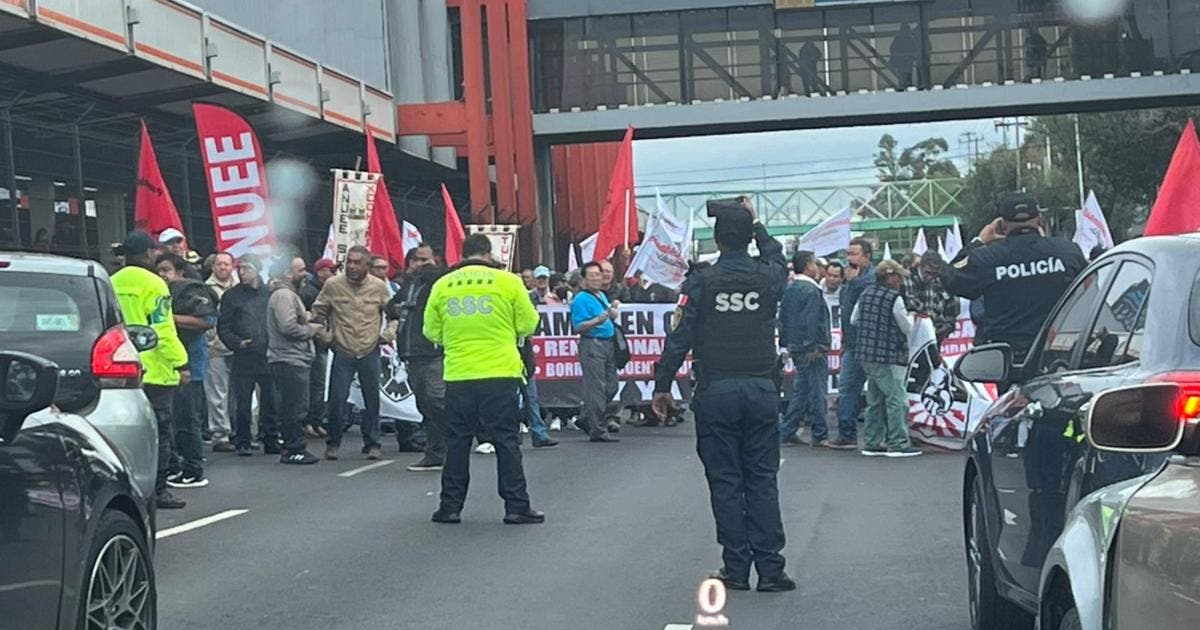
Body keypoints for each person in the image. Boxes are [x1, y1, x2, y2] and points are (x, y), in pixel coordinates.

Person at [650, 202, 795, 593]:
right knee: (762, 479)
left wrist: (662, 385)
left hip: (716, 392)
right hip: (762, 389)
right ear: (750, 237)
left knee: (726, 481)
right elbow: (779, 259)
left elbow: (678, 337)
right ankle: (770, 569)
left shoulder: (701, 281)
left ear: (716, 239)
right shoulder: (768, 278)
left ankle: (735, 567)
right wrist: (758, 222)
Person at [423, 234, 543, 525]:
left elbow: (430, 331)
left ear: (463, 255)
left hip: (459, 374)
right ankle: (516, 506)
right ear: (488, 254)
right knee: (506, 441)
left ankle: (450, 507)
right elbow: (530, 323)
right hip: (500, 373)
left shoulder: (443, 285)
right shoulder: (508, 282)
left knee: (457, 442)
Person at [941, 192, 1088, 364]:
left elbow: (950, 277)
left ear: (1002, 224)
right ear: (1039, 219)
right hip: (1059, 354)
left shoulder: (988, 258)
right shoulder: (1067, 251)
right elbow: (1089, 289)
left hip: (1008, 362)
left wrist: (979, 241)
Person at [110, 231, 190, 509]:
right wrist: (181, 362)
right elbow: (163, 330)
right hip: (155, 371)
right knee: (159, 432)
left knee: (123, 433)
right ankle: (158, 489)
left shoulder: (110, 282)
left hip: (119, 368)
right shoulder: (155, 284)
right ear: (148, 254)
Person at [312, 245, 394, 461]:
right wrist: (325, 335)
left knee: (372, 399)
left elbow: (394, 313)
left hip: (369, 349)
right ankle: (333, 442)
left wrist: (388, 334)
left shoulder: (378, 287)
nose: (352, 266)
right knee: (337, 398)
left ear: (367, 265)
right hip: (343, 349)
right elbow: (318, 311)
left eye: (358, 262)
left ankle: (373, 442)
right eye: (349, 261)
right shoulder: (333, 285)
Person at [156, 253, 217, 489]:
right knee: (174, 419)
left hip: (190, 366)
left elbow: (206, 321)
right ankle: (177, 465)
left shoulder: (189, 291)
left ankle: (193, 469)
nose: (162, 275)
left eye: (166, 270)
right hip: (168, 367)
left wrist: (169, 319)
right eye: (159, 270)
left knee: (187, 419)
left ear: (179, 272)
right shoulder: (160, 293)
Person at [389, 243, 450, 470]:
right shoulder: (408, 285)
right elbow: (391, 306)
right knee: (424, 404)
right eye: (416, 260)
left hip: (434, 353)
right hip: (411, 353)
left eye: (425, 260)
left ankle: (450, 447)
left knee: (438, 400)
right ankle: (434, 454)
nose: (420, 265)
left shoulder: (440, 283)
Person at [851, 260, 921, 458]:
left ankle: (872, 442)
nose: (900, 280)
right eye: (898, 276)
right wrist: (912, 317)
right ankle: (898, 443)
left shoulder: (865, 294)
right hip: (887, 355)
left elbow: (853, 319)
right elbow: (906, 327)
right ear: (889, 277)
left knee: (875, 399)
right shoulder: (894, 298)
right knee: (897, 399)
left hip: (866, 354)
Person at [217, 254, 279, 457]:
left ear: (257, 270)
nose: (242, 272)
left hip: (267, 353)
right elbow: (223, 326)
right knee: (242, 400)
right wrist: (237, 343)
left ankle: (270, 437)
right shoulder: (231, 296)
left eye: (246, 268)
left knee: (270, 400)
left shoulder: (268, 293)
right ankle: (243, 439)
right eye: (240, 268)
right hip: (244, 354)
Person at [266, 257, 324, 465]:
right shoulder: (283, 295)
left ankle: (293, 446)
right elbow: (287, 327)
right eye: (300, 270)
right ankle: (294, 448)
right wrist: (311, 329)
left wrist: (306, 317)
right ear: (287, 274)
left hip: (293, 358)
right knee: (294, 407)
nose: (305, 274)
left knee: (295, 405)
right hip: (289, 358)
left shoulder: (288, 295)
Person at [778, 250, 832, 447]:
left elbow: (783, 318)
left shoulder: (791, 289)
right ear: (809, 266)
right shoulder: (811, 290)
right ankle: (820, 433)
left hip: (796, 346)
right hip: (811, 348)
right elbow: (810, 321)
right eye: (815, 264)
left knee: (802, 390)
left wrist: (787, 343)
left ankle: (787, 430)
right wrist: (814, 346)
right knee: (817, 390)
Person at [833, 238, 877, 450]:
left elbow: (868, 293)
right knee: (847, 389)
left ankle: (880, 435)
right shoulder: (849, 282)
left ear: (867, 257)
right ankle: (847, 434)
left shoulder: (870, 278)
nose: (849, 259)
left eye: (854, 254)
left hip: (871, 344)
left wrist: (852, 283)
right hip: (852, 344)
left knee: (879, 392)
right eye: (848, 254)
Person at [571, 261, 622, 442]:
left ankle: (587, 417)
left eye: (598, 275)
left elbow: (607, 315)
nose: (596, 278)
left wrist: (611, 313)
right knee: (596, 389)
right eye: (591, 275)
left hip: (607, 344)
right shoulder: (580, 299)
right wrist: (597, 321)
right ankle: (598, 429)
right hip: (592, 344)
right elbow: (578, 327)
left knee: (611, 386)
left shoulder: (600, 295)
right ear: (583, 279)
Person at [204, 251, 238, 452]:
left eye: (226, 264)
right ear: (213, 267)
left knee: (237, 392)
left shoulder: (239, 286)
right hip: (215, 346)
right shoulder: (206, 289)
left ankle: (237, 430)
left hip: (237, 346)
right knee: (217, 393)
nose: (223, 267)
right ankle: (220, 434)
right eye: (219, 264)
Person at [301, 258, 336, 438]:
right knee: (313, 384)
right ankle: (308, 421)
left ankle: (316, 420)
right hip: (313, 342)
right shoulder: (308, 291)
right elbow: (304, 315)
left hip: (323, 343)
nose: (333, 273)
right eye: (330, 270)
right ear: (321, 272)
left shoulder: (328, 289)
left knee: (320, 384)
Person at [903, 252, 961, 343]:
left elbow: (953, 307)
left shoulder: (943, 280)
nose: (931, 277)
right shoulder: (907, 279)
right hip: (913, 336)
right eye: (928, 272)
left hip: (936, 335)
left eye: (934, 274)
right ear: (921, 266)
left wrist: (946, 328)